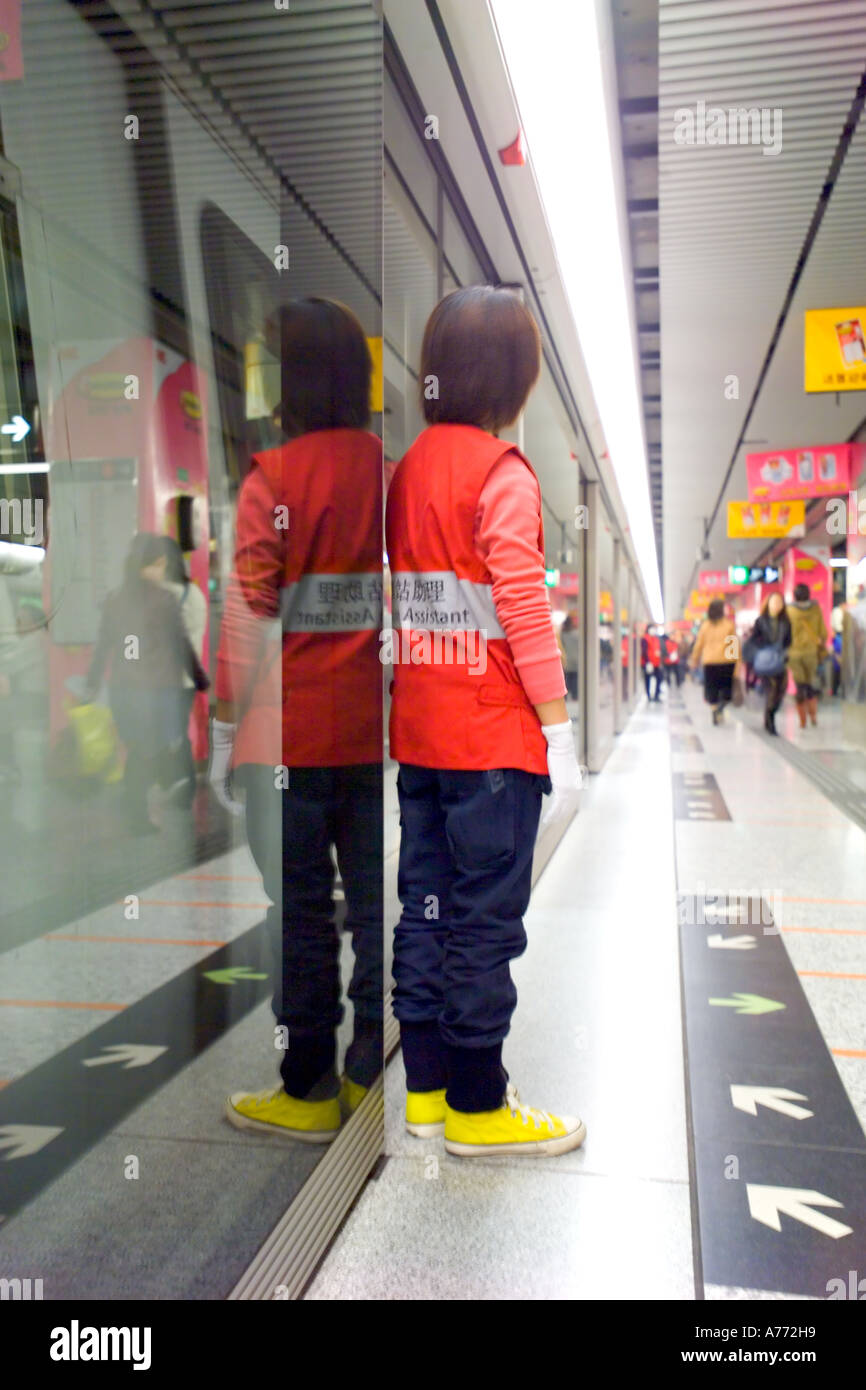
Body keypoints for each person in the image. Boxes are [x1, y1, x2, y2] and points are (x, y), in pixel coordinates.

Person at [387, 285, 585, 1158]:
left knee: (424, 908)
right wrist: (562, 731)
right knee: (483, 923)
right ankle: (479, 1107)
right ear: (514, 378)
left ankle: (426, 1095)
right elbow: (523, 612)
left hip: (422, 740)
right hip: (494, 746)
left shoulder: (408, 472)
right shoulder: (502, 477)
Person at [215, 297, 383, 1143]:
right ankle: (372, 1068)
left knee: (301, 912)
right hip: (366, 740)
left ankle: (307, 1086)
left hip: (283, 740)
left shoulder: (271, 478)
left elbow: (248, 618)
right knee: (375, 907)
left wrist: (217, 729)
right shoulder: (386, 471)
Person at [85, 532, 209, 834]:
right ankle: (138, 810)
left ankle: (136, 806)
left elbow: (108, 645)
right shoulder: (164, 600)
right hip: (154, 691)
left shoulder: (116, 598)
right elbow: (180, 643)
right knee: (149, 750)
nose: (162, 569)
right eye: (159, 564)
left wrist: (92, 681)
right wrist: (200, 678)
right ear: (154, 564)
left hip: (124, 690)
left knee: (139, 749)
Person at [158, 536, 207, 805]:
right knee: (176, 730)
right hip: (188, 677)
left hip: (166, 677)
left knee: (170, 732)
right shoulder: (195, 594)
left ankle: (180, 783)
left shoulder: (164, 593)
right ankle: (182, 784)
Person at [689, 598, 739, 725]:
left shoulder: (705, 626)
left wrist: (694, 659)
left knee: (712, 690)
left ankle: (714, 711)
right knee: (726, 690)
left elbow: (698, 645)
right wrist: (736, 663)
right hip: (726, 662)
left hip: (710, 662)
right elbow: (733, 646)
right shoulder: (728, 625)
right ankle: (720, 709)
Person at [787, 582, 828, 729]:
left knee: (800, 686)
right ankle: (813, 717)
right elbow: (823, 631)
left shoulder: (789, 611)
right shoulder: (816, 609)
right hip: (811, 653)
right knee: (811, 685)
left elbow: (785, 633)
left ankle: (802, 720)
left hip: (794, 653)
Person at [750, 592, 792, 735]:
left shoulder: (786, 622)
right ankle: (770, 720)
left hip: (780, 659)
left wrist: (784, 651)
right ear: (768, 603)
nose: (777, 605)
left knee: (781, 690)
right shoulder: (760, 621)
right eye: (774, 602)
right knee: (771, 690)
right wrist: (764, 648)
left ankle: (770, 713)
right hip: (765, 660)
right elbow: (754, 639)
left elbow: (789, 640)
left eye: (779, 602)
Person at [640, 624, 663, 702]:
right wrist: (648, 662)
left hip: (656, 663)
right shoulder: (645, 639)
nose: (653, 630)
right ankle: (648, 695)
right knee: (648, 679)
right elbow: (644, 651)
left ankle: (656, 695)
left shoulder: (656, 639)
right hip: (648, 663)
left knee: (659, 678)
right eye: (651, 628)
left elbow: (658, 649)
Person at [561, 613, 579, 699]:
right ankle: (575, 695)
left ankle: (565, 695)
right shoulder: (577, 634)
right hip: (576, 660)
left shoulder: (562, 634)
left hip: (566, 660)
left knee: (566, 679)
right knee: (575, 679)